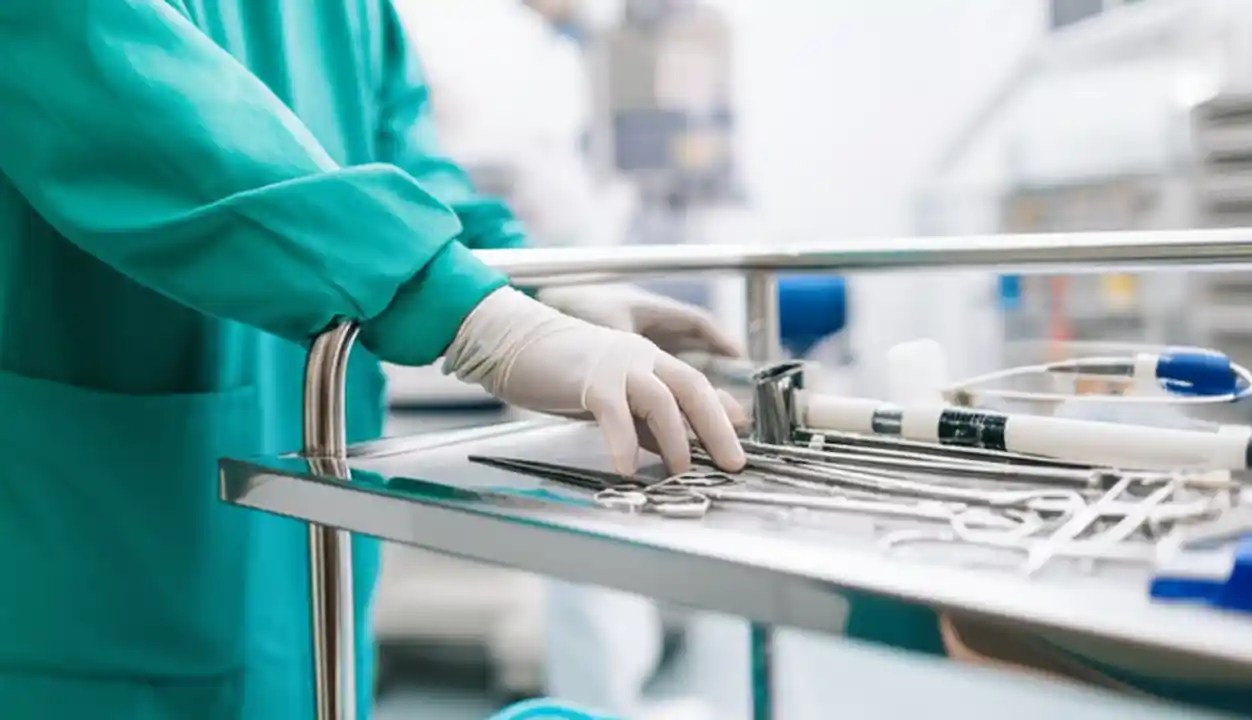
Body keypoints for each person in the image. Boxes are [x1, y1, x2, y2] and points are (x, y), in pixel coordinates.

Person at [0, 2, 746, 719]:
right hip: (93, 553)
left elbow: (397, 153)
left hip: (302, 545)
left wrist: (531, 283)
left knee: (311, 667)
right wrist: (464, 309)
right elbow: (131, 106)